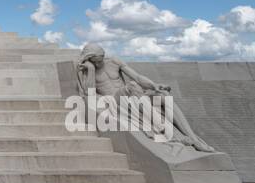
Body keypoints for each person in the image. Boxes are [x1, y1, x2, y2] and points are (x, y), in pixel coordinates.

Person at [75, 43, 215, 152]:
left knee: (163, 96)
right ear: (89, 59)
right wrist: (91, 70)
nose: (100, 63)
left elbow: (137, 76)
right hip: (114, 100)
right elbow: (89, 93)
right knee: (131, 86)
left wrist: (154, 86)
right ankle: (169, 133)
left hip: (132, 95)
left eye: (101, 60)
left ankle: (192, 137)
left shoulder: (114, 61)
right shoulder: (86, 70)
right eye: (96, 62)